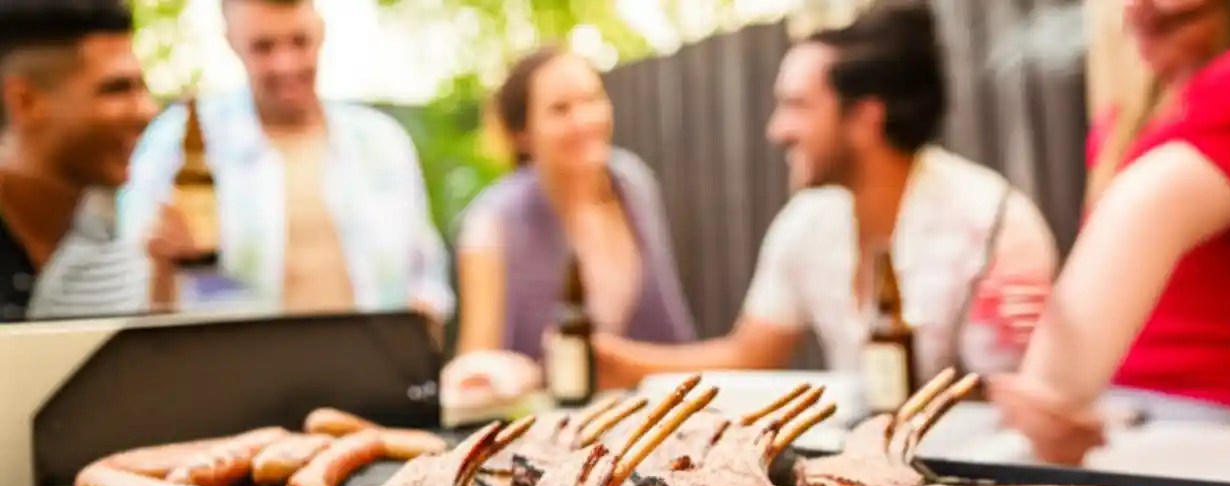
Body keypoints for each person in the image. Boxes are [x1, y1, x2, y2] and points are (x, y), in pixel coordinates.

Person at [591, 0, 1060, 392]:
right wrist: (613, 360)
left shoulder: (995, 225)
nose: (777, 131)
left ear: (865, 118)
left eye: (796, 106)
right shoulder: (808, 222)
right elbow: (747, 356)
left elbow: (1023, 404)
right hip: (858, 471)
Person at [990, 0, 1230, 465]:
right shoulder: (1122, 125)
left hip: (1220, 421)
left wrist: (1051, 387)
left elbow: (1152, 204)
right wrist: (1054, 315)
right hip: (1124, 413)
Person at [118, 0, 454, 321]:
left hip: (369, 369)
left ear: (321, 31)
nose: (285, 64)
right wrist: (161, 257)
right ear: (231, 40)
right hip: (236, 371)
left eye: (299, 42)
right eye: (263, 47)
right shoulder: (178, 142)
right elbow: (131, 291)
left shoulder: (382, 142)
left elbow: (426, 278)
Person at [451, 46, 696, 361]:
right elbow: (476, 362)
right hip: (542, 406)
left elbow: (667, 321)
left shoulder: (633, 184)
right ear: (523, 133)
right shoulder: (491, 221)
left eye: (592, 99)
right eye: (560, 109)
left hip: (648, 402)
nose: (584, 120)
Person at [0, 0, 156, 323]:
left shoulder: (107, 251)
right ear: (25, 101)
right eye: (116, 89)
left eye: (142, 86)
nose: (146, 111)